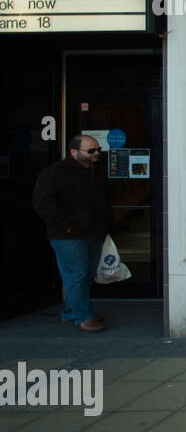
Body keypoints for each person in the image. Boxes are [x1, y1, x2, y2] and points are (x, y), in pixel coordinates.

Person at [31, 135, 112, 332]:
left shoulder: (96, 172)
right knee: (77, 274)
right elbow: (42, 203)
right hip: (68, 236)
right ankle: (83, 317)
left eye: (98, 149)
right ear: (73, 152)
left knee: (86, 274)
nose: (96, 154)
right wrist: (64, 226)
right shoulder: (55, 173)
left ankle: (71, 311)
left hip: (93, 232)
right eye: (90, 151)